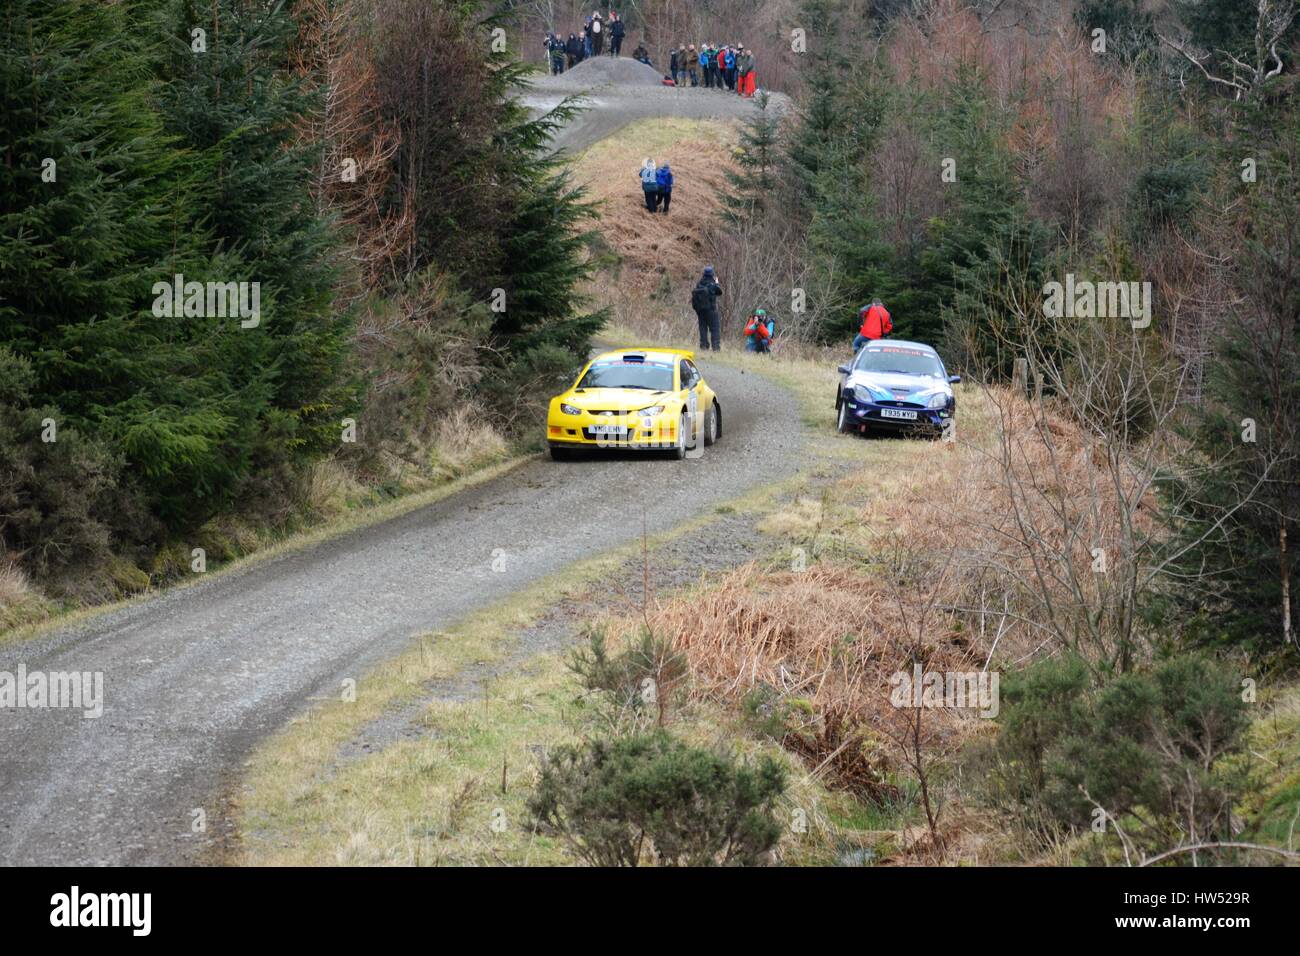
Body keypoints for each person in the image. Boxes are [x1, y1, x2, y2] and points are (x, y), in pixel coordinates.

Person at [691, 266, 723, 351]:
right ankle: (716, 348)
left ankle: (704, 346)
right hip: (711, 310)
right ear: (712, 274)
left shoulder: (699, 283)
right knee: (714, 329)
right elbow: (719, 292)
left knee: (702, 328)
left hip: (700, 310)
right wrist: (716, 283)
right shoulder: (712, 284)